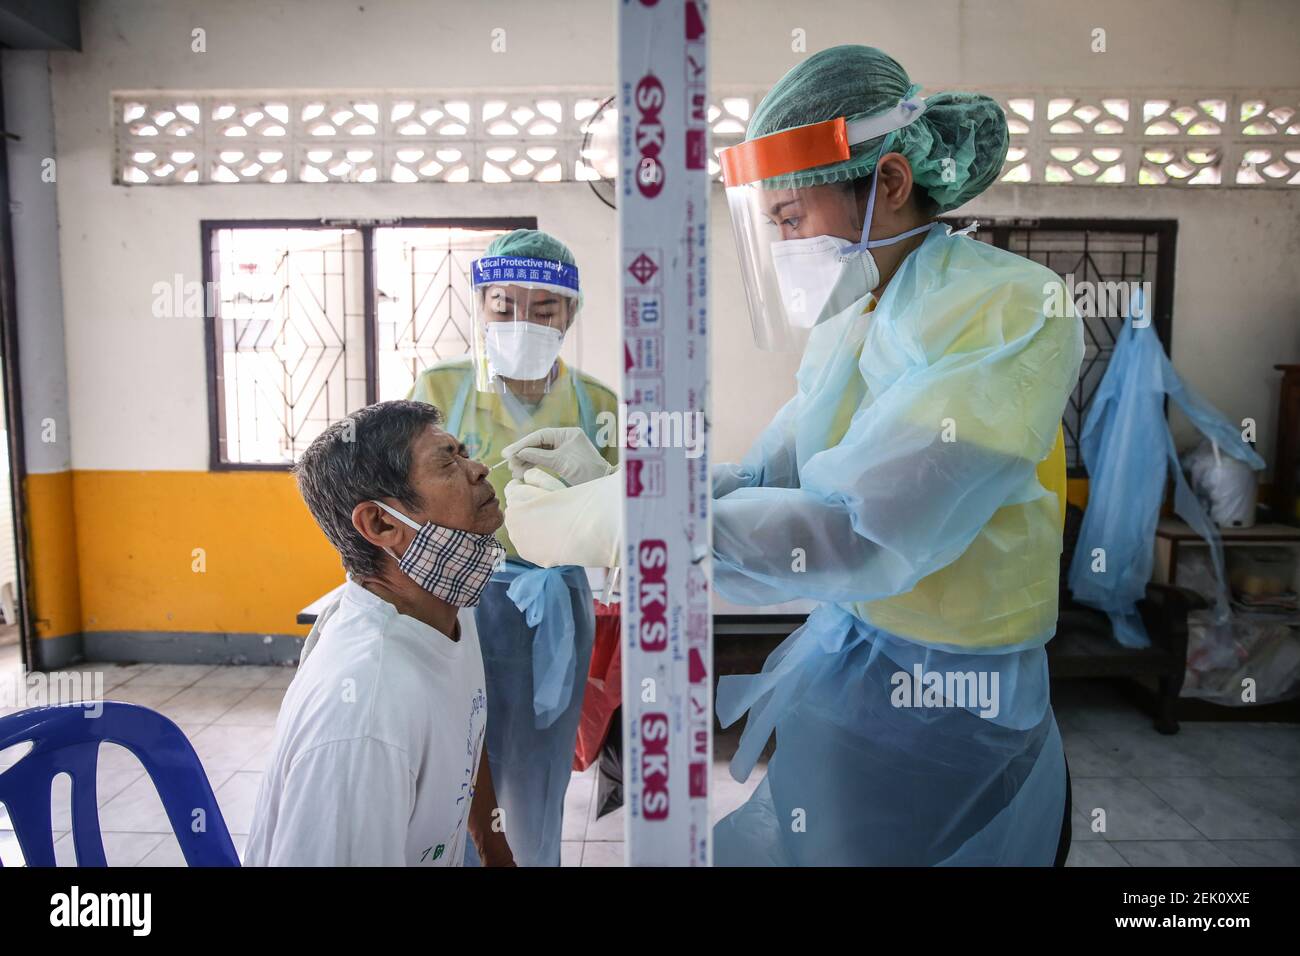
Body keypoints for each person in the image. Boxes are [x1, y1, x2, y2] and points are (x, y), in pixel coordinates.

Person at [502, 45, 1085, 866]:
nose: (781, 244)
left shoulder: (1008, 308)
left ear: (886, 183)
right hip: (856, 656)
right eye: (771, 221)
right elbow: (772, 477)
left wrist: (639, 528)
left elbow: (860, 534)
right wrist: (620, 485)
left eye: (791, 217)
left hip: (956, 697)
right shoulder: (851, 324)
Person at [407, 229, 619, 866]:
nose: (522, 320)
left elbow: (618, 513)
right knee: (458, 761)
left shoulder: (598, 403)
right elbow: (406, 496)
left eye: (544, 308)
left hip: (553, 603)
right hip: (459, 599)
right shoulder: (439, 389)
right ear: (480, 305)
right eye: (504, 305)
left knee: (537, 763)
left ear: (571, 313)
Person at [245, 400, 514, 867]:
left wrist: (495, 850)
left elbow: (465, 728)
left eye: (462, 451)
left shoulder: (444, 607)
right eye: (448, 462)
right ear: (382, 523)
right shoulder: (364, 714)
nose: (479, 469)